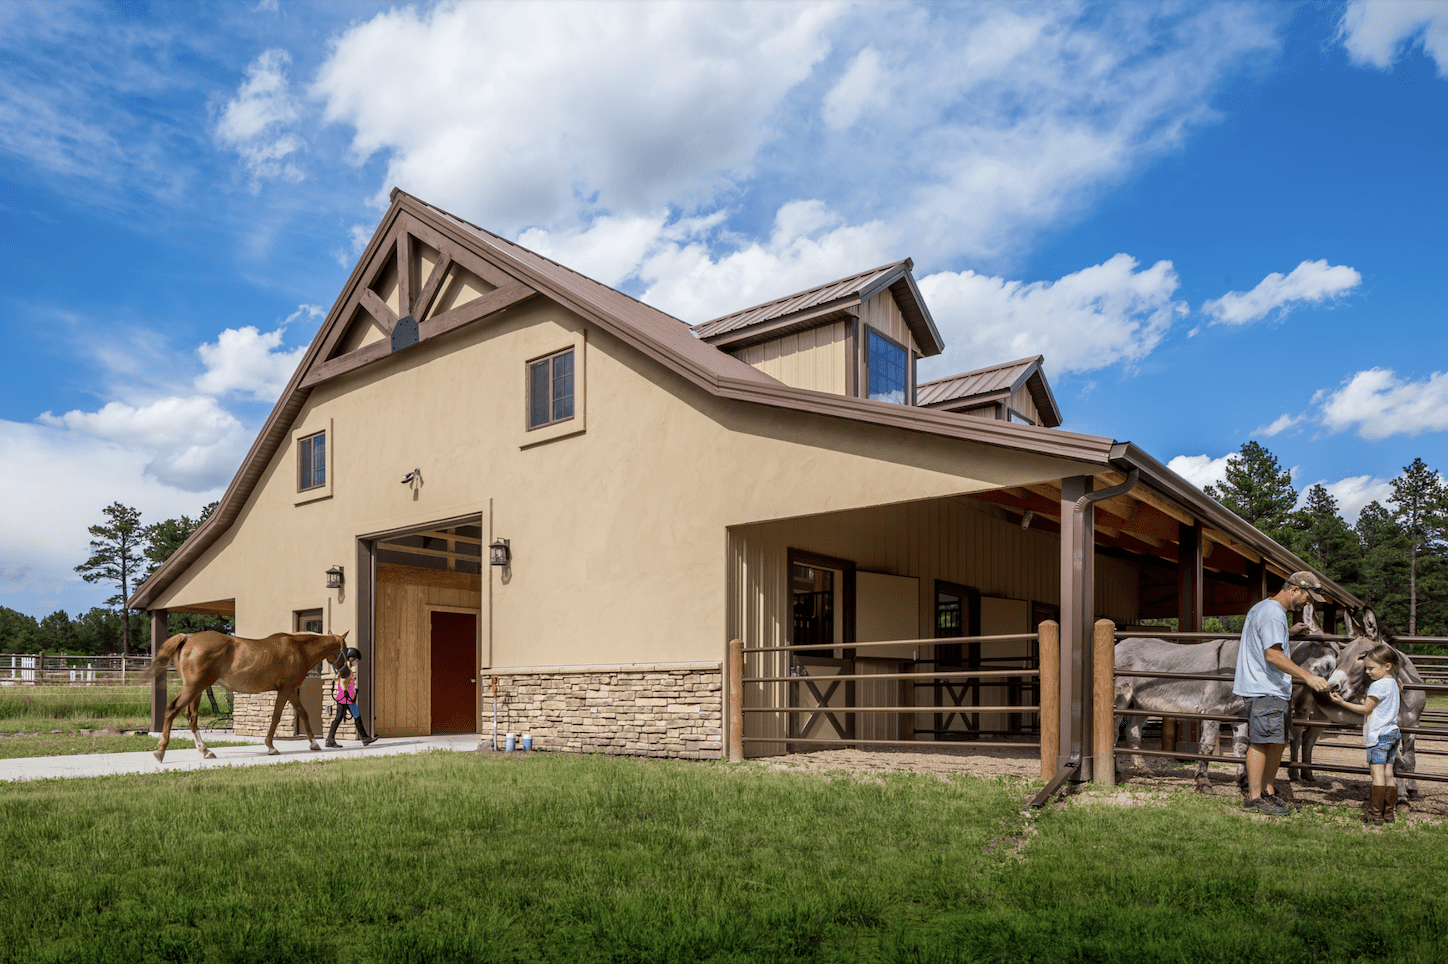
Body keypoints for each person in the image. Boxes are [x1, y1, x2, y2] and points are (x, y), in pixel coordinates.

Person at [1232, 571, 1332, 816]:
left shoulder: (1267, 610)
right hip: (1265, 687)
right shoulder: (1273, 613)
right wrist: (1308, 676)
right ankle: (1255, 798)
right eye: (1308, 598)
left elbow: (1264, 639)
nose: (1308, 603)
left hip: (1273, 687)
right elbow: (1272, 654)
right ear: (1294, 589)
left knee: (1278, 740)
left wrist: (1289, 632)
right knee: (1262, 741)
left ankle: (1268, 792)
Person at [1330, 644, 1403, 825]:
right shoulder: (1394, 682)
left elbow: (1365, 709)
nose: (1368, 672)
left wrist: (1342, 703)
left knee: (1376, 774)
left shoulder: (1377, 686)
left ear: (1386, 666)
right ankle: (1389, 813)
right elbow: (1378, 706)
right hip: (1392, 733)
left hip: (1378, 736)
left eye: (1371, 668)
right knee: (1388, 774)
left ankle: (1374, 814)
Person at [325, 648, 377, 747]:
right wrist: (349, 693)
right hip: (345, 698)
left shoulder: (346, 668)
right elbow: (344, 682)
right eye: (356, 661)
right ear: (351, 658)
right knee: (339, 718)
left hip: (348, 698)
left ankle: (365, 738)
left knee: (356, 716)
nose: (356, 663)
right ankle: (329, 740)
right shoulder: (346, 669)